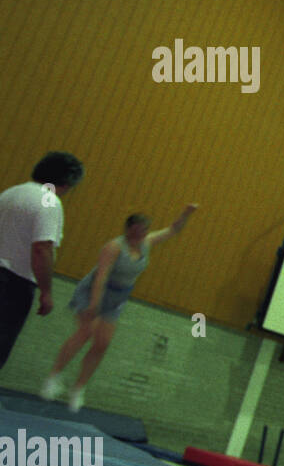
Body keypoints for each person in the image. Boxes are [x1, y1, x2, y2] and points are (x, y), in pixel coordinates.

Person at [40, 205, 197, 411]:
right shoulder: (114, 247)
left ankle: (78, 388)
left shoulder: (147, 243)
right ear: (129, 229)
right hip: (95, 291)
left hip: (118, 296)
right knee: (85, 333)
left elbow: (173, 230)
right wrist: (94, 305)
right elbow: (101, 276)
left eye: (145, 229)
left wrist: (185, 213)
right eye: (139, 229)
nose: (143, 233)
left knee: (102, 343)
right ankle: (54, 377)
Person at [0, 152, 84, 370]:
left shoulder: (11, 193)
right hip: (11, 285)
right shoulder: (49, 201)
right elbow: (42, 249)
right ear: (67, 183)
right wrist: (46, 291)